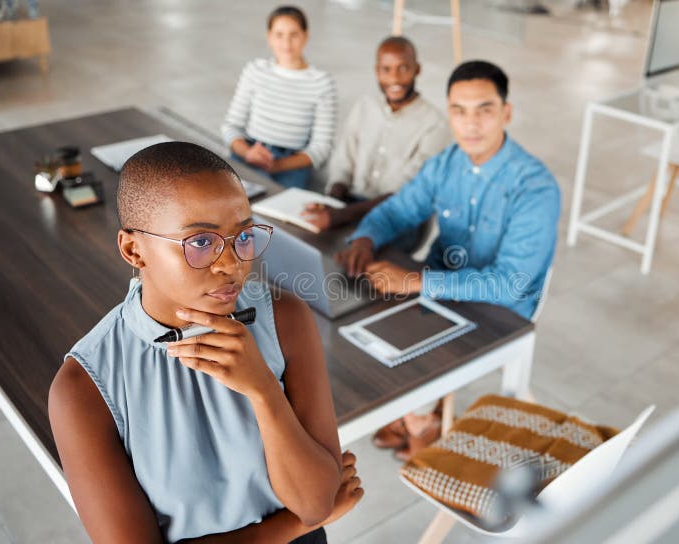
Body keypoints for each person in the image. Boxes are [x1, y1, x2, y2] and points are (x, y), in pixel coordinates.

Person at [48, 142, 362, 543]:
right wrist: (292, 526)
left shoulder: (284, 318)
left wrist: (263, 389)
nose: (232, 264)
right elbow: (316, 513)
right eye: (200, 241)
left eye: (243, 235)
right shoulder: (84, 389)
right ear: (133, 249)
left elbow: (315, 502)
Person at [337, 60, 561, 460]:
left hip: (500, 311)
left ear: (506, 113)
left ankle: (420, 418)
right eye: (458, 110)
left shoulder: (535, 188)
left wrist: (418, 282)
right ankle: (418, 411)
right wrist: (365, 236)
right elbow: (400, 209)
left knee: (397, 327)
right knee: (360, 321)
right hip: (437, 288)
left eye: (484, 110)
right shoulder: (445, 165)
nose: (470, 123)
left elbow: (510, 283)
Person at [302, 36, 450, 232]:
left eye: (403, 68)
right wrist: (332, 202)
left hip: (400, 216)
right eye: (386, 70)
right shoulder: (364, 106)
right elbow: (343, 162)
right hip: (350, 204)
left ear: (417, 69)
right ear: (376, 71)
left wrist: (341, 215)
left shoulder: (435, 123)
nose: (394, 78)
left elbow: (405, 193)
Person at [222, 5, 337, 189]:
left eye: (294, 34)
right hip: (248, 153)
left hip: (291, 165)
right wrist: (248, 153)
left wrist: (278, 165)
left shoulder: (322, 83)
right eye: (279, 34)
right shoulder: (254, 71)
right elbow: (230, 126)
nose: (286, 43)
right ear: (269, 37)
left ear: (306, 36)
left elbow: (321, 148)